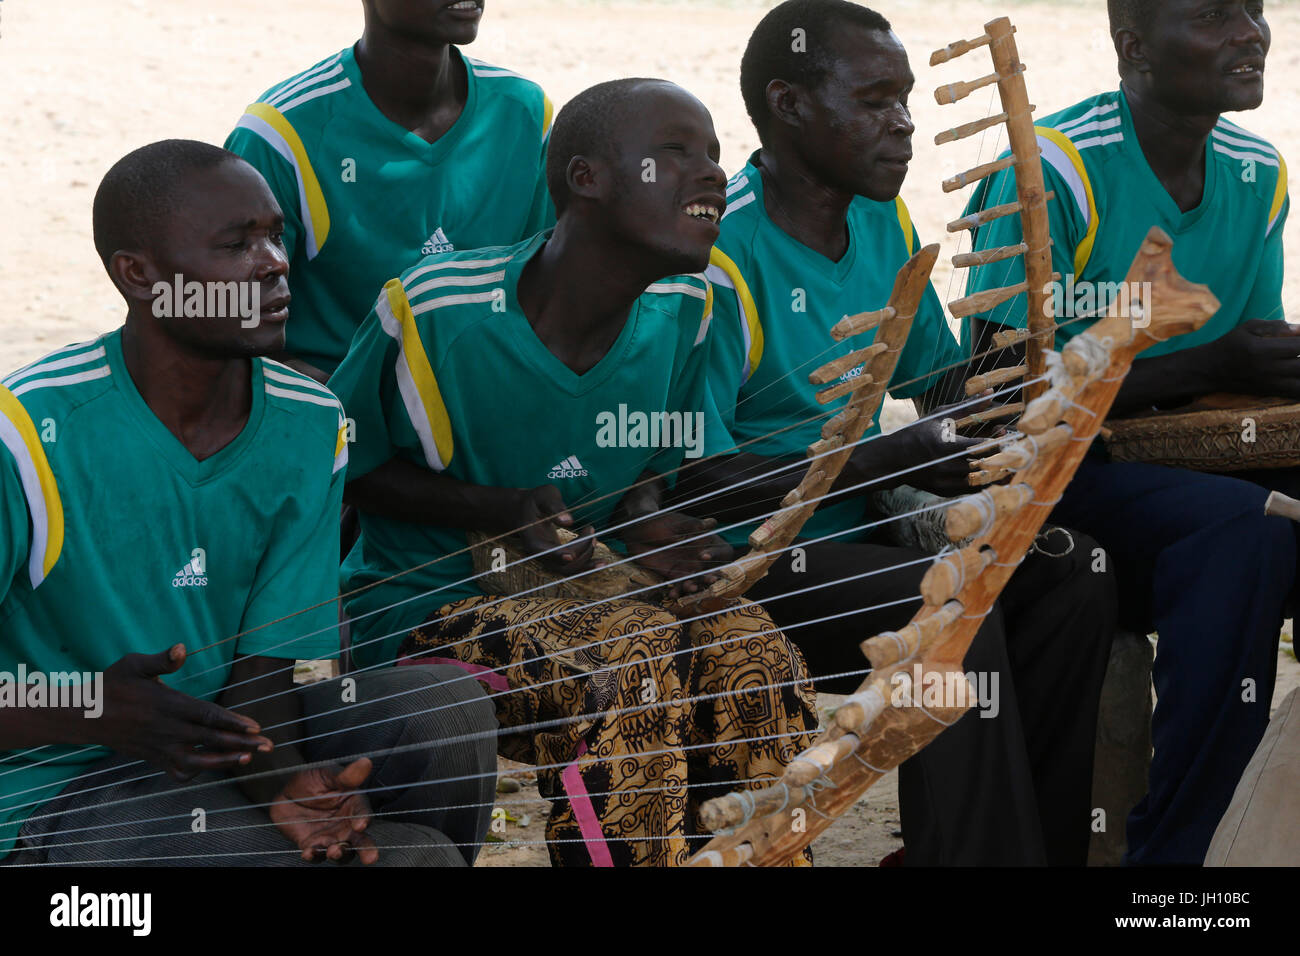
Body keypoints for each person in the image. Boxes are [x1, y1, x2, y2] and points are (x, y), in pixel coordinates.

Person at [327, 79, 817, 867]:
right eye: (676, 153)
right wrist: (494, 507)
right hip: (426, 601)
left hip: (594, 591)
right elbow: (337, 469)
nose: (713, 175)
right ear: (585, 178)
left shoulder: (687, 311)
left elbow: (650, 477)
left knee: (754, 651)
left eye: (717, 155)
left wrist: (649, 522)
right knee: (633, 667)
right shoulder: (436, 313)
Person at [677, 0, 1116, 866]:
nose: (905, 124)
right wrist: (897, 454)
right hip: (747, 563)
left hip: (863, 535)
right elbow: (698, 481)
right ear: (789, 105)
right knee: (948, 609)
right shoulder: (719, 258)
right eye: (876, 99)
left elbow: (940, 385)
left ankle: (1036, 852)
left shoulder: (882, 221)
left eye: (908, 98)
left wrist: (1035, 382)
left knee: (1076, 570)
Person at [0, 140, 496, 867]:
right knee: (415, 862)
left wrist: (283, 785)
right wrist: (91, 709)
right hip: (51, 785)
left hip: (207, 747)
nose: (274, 263)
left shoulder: (307, 420)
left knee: (443, 715)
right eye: (237, 245)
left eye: (275, 235)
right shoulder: (29, 433)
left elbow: (264, 674)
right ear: (139, 275)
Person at [961, 0, 1293, 864]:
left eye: (1255, 11)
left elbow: (1248, 399)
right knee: (1242, 534)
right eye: (1217, 15)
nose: (1251, 32)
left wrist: (1254, 371)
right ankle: (1177, 864)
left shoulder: (1259, 171)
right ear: (1132, 45)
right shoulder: (1054, 173)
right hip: (1059, 484)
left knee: (1249, 520)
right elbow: (996, 408)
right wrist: (1211, 365)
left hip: (1192, 470)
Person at [225, 0, 554, 382]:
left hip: (483, 407)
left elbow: (545, 296)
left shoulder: (524, 114)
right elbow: (228, 325)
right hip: (341, 423)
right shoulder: (281, 134)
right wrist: (331, 399)